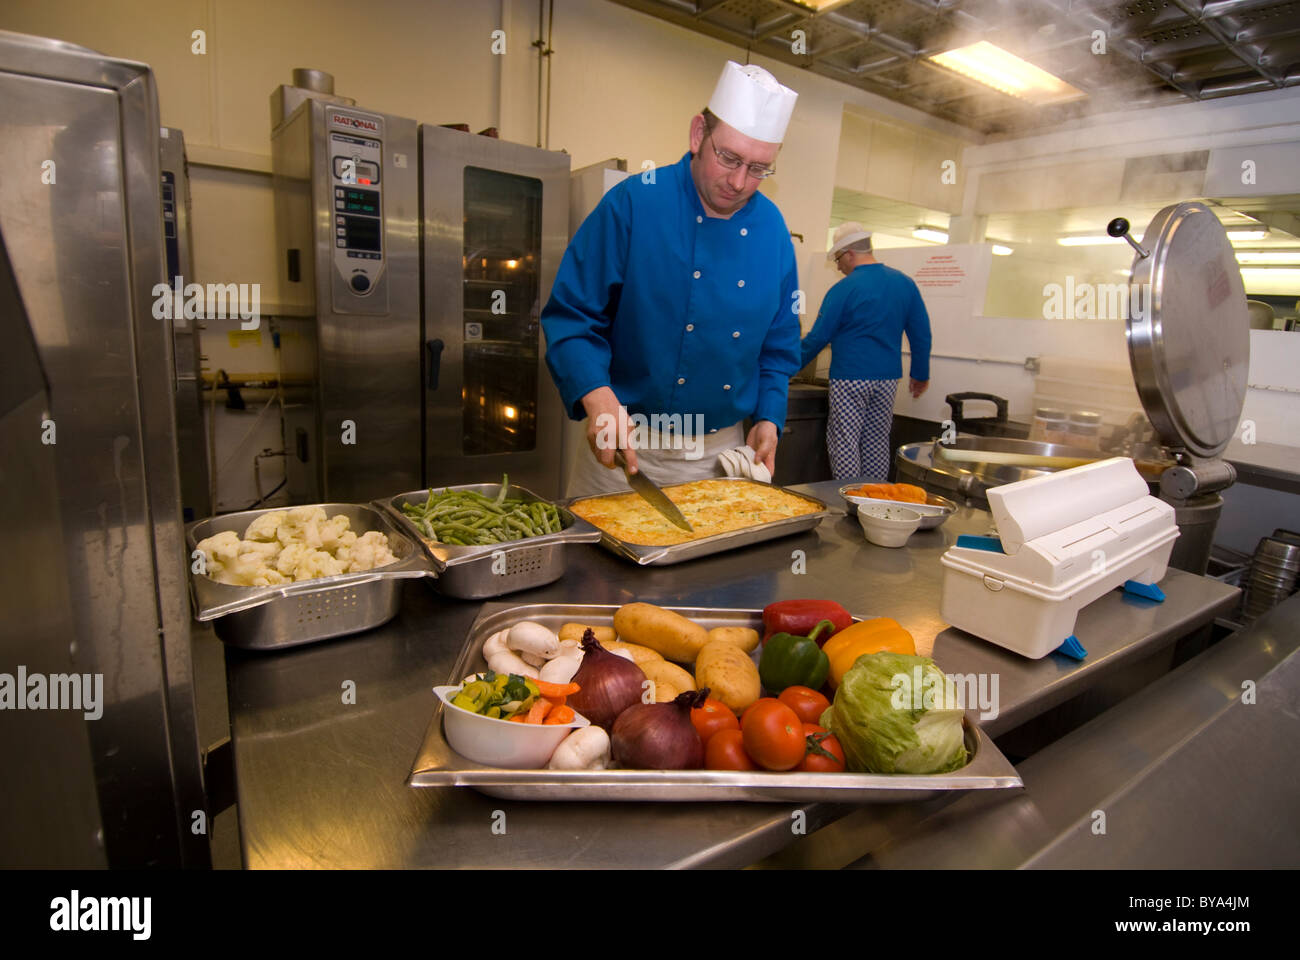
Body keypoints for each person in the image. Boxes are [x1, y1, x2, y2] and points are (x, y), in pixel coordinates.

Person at [541, 61, 802, 497]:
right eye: (729, 158)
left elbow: (778, 347)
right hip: (622, 455)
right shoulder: (634, 202)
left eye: (759, 169)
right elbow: (571, 317)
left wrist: (769, 417)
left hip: (721, 456)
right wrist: (596, 395)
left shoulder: (773, 232)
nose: (739, 182)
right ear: (698, 133)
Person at [799, 223, 931, 480]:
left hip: (850, 377)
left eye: (838, 259)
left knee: (845, 442)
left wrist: (785, 369)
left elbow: (817, 338)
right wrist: (920, 374)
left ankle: (849, 499)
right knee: (876, 442)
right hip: (887, 380)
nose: (838, 267)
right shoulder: (904, 284)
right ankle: (873, 500)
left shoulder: (843, 289)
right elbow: (921, 333)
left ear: (849, 253)